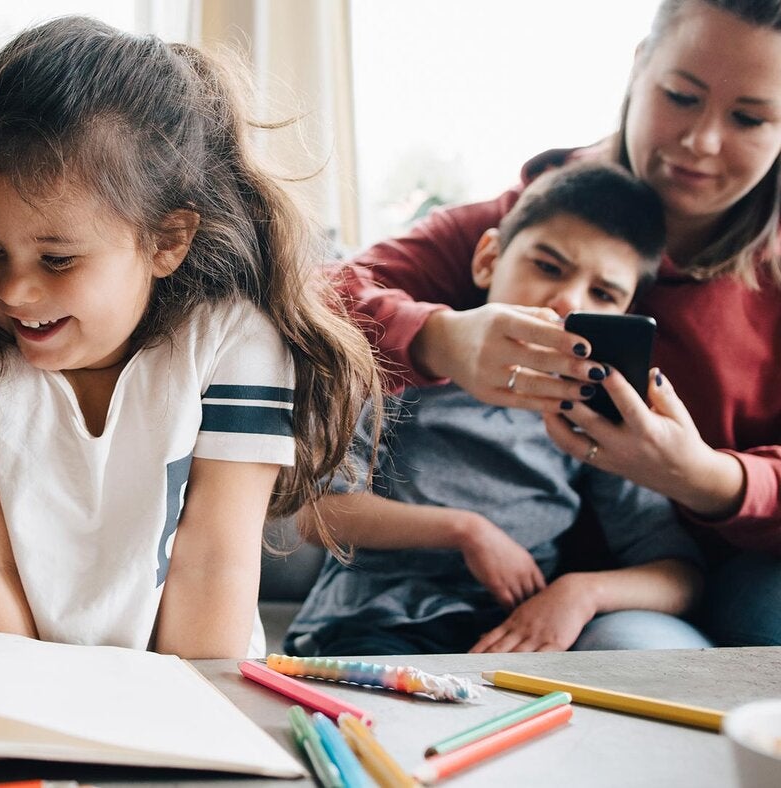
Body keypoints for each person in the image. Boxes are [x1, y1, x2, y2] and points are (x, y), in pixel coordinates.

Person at [0, 16, 380, 659]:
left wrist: (166, 706)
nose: (13, 291)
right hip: (7, 668)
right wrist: (34, 703)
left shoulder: (235, 340)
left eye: (57, 260)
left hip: (194, 673)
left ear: (167, 241)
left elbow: (212, 562)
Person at [337, 0, 781, 647]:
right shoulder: (545, 211)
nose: (701, 141)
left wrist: (705, 477)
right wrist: (438, 338)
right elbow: (317, 291)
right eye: (681, 96)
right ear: (639, 68)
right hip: (541, 603)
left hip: (707, 570)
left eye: (749, 117)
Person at [286, 163, 710, 657]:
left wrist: (582, 592)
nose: (567, 302)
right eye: (548, 267)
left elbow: (679, 574)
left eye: (603, 294)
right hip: (376, 621)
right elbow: (319, 514)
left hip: (512, 635)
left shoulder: (594, 416)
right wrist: (468, 532)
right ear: (489, 259)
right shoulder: (405, 367)